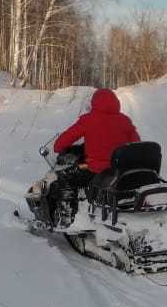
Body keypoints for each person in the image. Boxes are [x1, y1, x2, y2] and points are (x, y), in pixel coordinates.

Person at [45, 88, 140, 226]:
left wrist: (58, 147)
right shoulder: (125, 121)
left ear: (94, 102)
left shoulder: (88, 120)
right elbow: (136, 144)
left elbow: (61, 143)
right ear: (115, 102)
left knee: (65, 177)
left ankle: (66, 217)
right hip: (120, 172)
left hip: (95, 171)